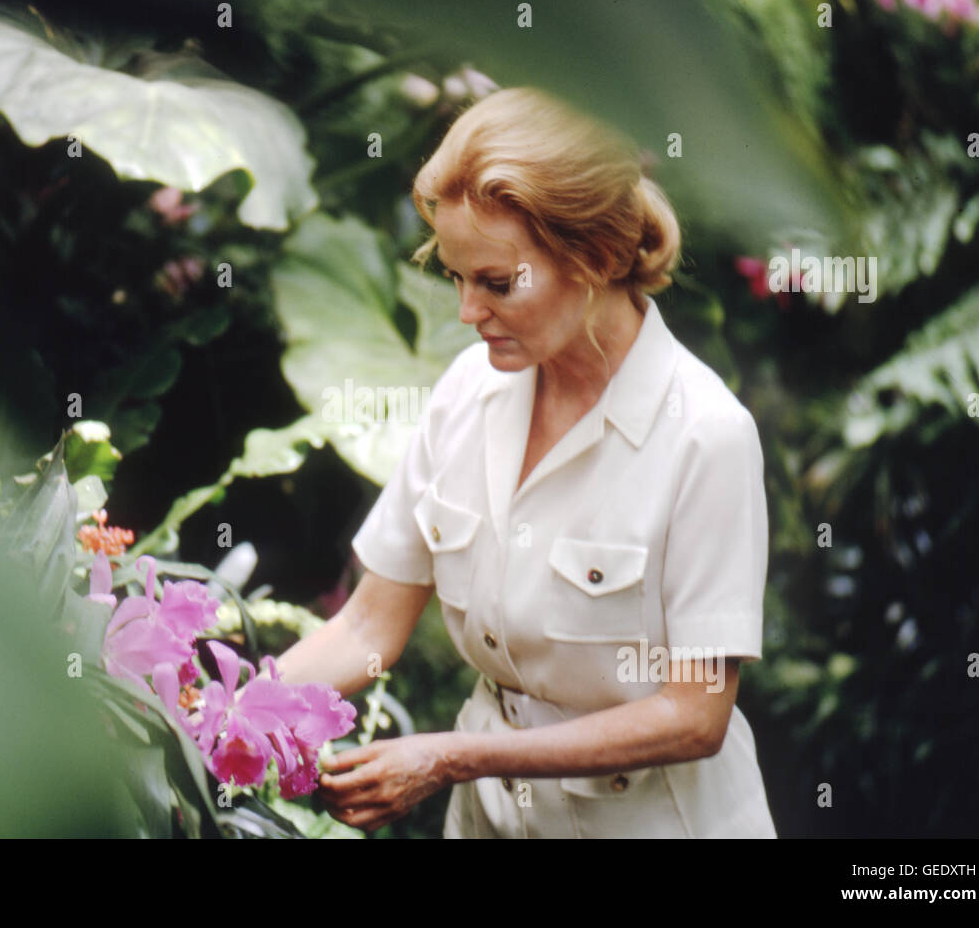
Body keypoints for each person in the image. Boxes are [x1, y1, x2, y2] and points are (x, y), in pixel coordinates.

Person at [273, 86, 777, 838]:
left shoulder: (706, 436)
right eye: (455, 276)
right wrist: (220, 712)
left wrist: (453, 757)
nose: (466, 312)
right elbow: (366, 628)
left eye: (497, 283)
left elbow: (694, 713)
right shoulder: (467, 391)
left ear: (598, 258)